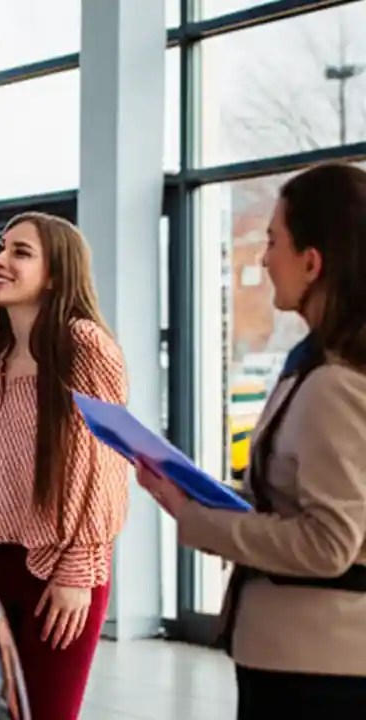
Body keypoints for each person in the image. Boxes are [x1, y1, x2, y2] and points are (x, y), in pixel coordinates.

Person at [136, 161, 366, 719]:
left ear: (312, 262)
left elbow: (330, 544)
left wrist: (198, 519)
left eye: (273, 242)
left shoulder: (333, 383)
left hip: (315, 668)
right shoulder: (315, 368)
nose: (264, 260)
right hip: (303, 659)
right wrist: (195, 492)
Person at [0, 212, 129, 720]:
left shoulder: (83, 345)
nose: (0, 260)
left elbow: (106, 461)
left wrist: (78, 568)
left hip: (58, 569)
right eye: (1, 248)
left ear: (56, 274)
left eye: (21, 252)